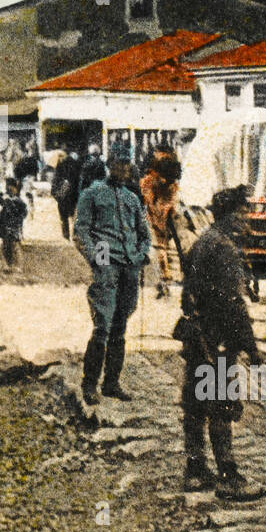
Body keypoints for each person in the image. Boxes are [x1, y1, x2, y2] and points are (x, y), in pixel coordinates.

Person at [175, 184, 266, 501]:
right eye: (242, 212)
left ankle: (196, 469)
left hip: (197, 336)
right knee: (221, 406)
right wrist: (251, 348)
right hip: (217, 341)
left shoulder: (203, 242)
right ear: (228, 214)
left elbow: (187, 294)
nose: (247, 218)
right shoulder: (224, 248)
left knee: (196, 405)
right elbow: (233, 304)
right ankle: (228, 477)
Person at [73, 155, 149, 405]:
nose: (124, 170)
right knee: (103, 325)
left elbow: (143, 233)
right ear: (109, 166)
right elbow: (82, 231)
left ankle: (111, 383)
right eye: (119, 165)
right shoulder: (93, 193)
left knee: (121, 325)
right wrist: (99, 260)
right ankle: (89, 384)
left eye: (127, 166)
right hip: (107, 263)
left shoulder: (132, 198)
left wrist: (139, 256)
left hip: (129, 267)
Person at [140, 147, 182, 298]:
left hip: (161, 220)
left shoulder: (170, 184)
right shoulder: (148, 181)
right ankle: (163, 281)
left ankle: (164, 281)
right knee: (158, 250)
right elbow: (147, 200)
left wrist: (167, 210)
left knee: (162, 249)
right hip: (152, 219)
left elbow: (170, 202)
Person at [0, 177, 29, 270]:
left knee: (14, 245)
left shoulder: (18, 201)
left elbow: (23, 214)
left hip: (13, 226)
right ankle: (8, 264)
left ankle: (17, 265)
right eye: (7, 188)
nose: (9, 190)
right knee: (7, 245)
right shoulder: (9, 200)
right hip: (6, 225)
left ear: (16, 189)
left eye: (11, 188)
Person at [52, 149, 82, 240]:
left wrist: (55, 194)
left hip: (63, 197)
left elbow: (55, 181)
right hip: (73, 196)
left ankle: (66, 235)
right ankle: (75, 234)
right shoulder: (76, 165)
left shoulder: (59, 167)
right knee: (74, 216)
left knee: (64, 217)